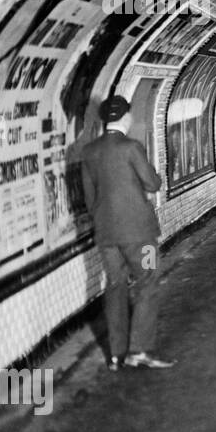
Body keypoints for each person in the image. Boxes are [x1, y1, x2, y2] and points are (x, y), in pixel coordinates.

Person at [81, 95, 174, 371]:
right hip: (139, 235)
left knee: (115, 286)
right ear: (125, 117)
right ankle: (139, 350)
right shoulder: (131, 147)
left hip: (107, 234)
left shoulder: (89, 151)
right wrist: (154, 176)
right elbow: (152, 183)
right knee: (148, 280)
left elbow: (89, 198)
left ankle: (115, 355)